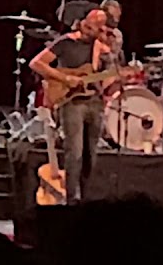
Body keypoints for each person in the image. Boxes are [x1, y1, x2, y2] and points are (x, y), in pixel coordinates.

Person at [30, 10, 112, 204]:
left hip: (94, 101)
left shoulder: (99, 46)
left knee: (90, 154)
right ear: (86, 24)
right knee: (74, 152)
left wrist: (113, 71)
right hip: (71, 102)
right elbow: (36, 63)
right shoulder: (65, 42)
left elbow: (104, 75)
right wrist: (65, 78)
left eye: (103, 25)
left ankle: (86, 200)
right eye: (98, 25)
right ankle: (71, 200)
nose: (102, 29)